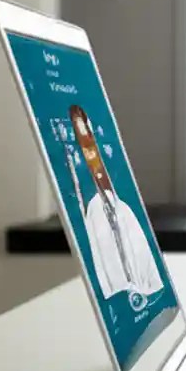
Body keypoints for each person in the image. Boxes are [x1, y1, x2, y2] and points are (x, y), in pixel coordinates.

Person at [69, 105, 164, 302]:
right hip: (97, 205)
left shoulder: (122, 208)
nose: (84, 135)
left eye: (85, 128)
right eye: (79, 130)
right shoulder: (94, 208)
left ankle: (140, 285)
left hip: (111, 202)